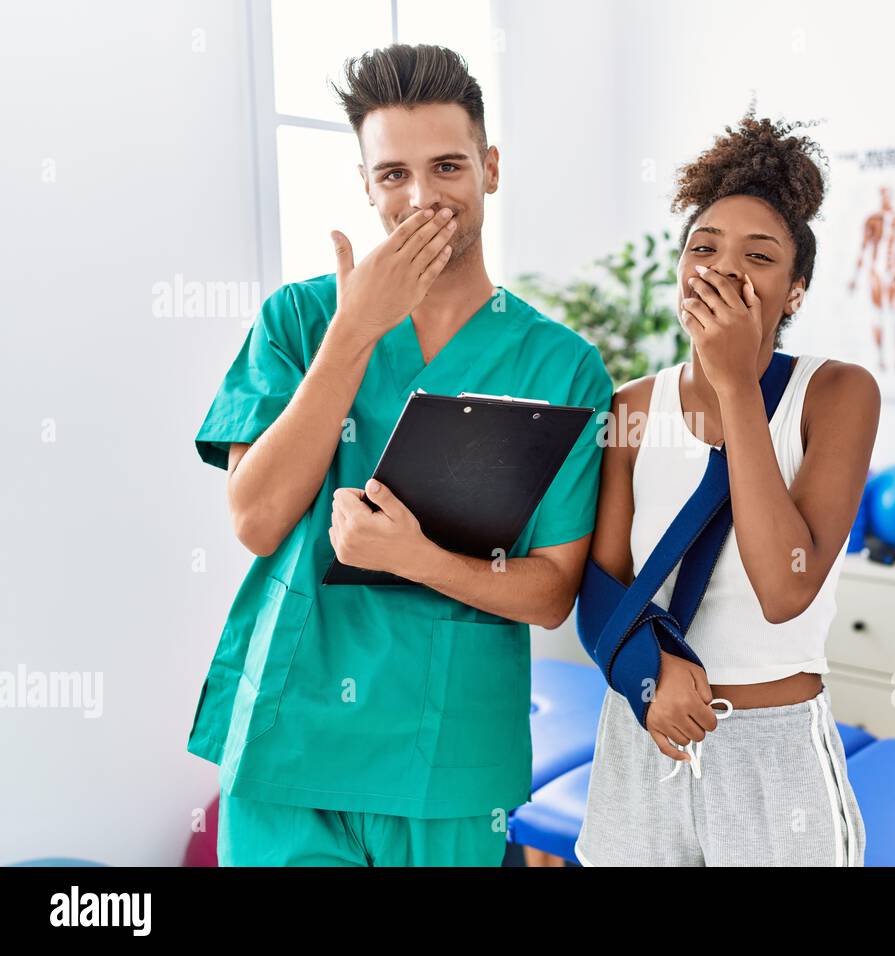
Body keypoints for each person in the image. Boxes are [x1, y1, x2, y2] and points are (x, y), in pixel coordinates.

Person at [189, 43, 612, 866]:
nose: (423, 199)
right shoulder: (299, 323)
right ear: (366, 184)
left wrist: (417, 558)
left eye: (448, 166)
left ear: (490, 168)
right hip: (292, 745)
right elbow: (256, 517)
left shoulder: (561, 367)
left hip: (448, 761)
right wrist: (353, 333)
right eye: (393, 175)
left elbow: (551, 593)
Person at [574, 110, 881, 866]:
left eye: (760, 255)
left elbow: (785, 588)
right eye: (703, 247)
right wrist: (648, 677)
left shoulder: (837, 394)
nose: (722, 267)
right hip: (643, 737)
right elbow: (599, 587)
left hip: (772, 759)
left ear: (797, 290)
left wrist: (739, 386)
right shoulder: (633, 409)